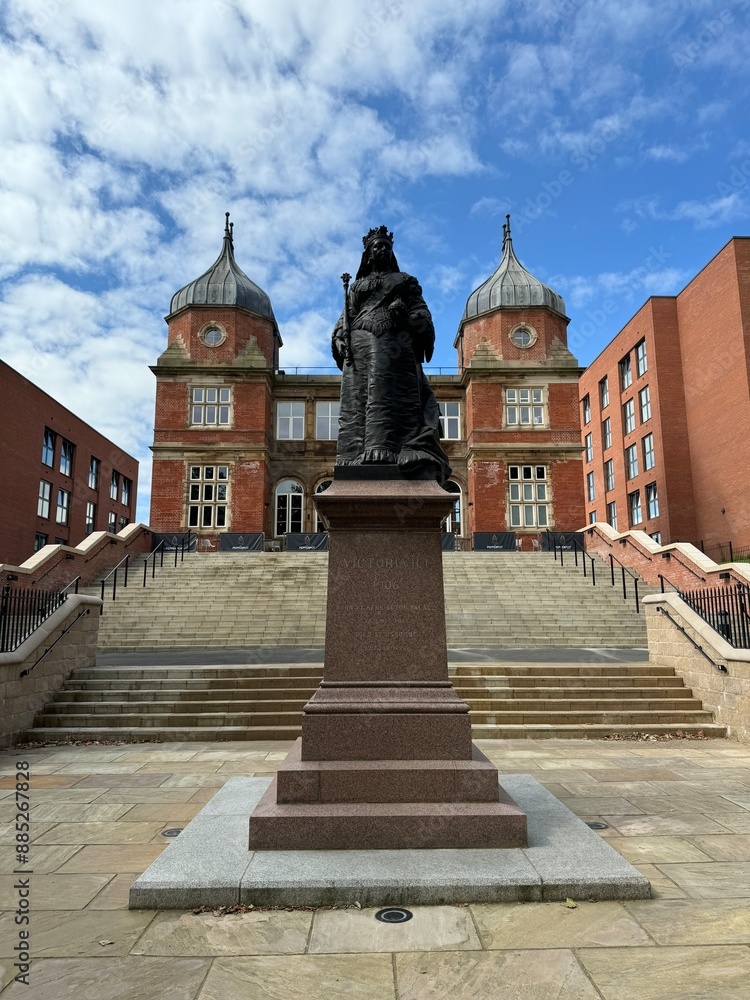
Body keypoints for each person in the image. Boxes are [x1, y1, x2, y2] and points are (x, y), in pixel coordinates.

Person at [331, 226, 451, 484]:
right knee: (360, 397)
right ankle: (355, 452)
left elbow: (423, 315)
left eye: (387, 245)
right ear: (369, 253)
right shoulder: (356, 286)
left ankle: (389, 449)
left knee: (387, 393)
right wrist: (340, 338)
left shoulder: (406, 281)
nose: (383, 249)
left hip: (394, 346)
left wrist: (406, 316)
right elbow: (346, 318)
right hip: (360, 348)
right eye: (378, 246)